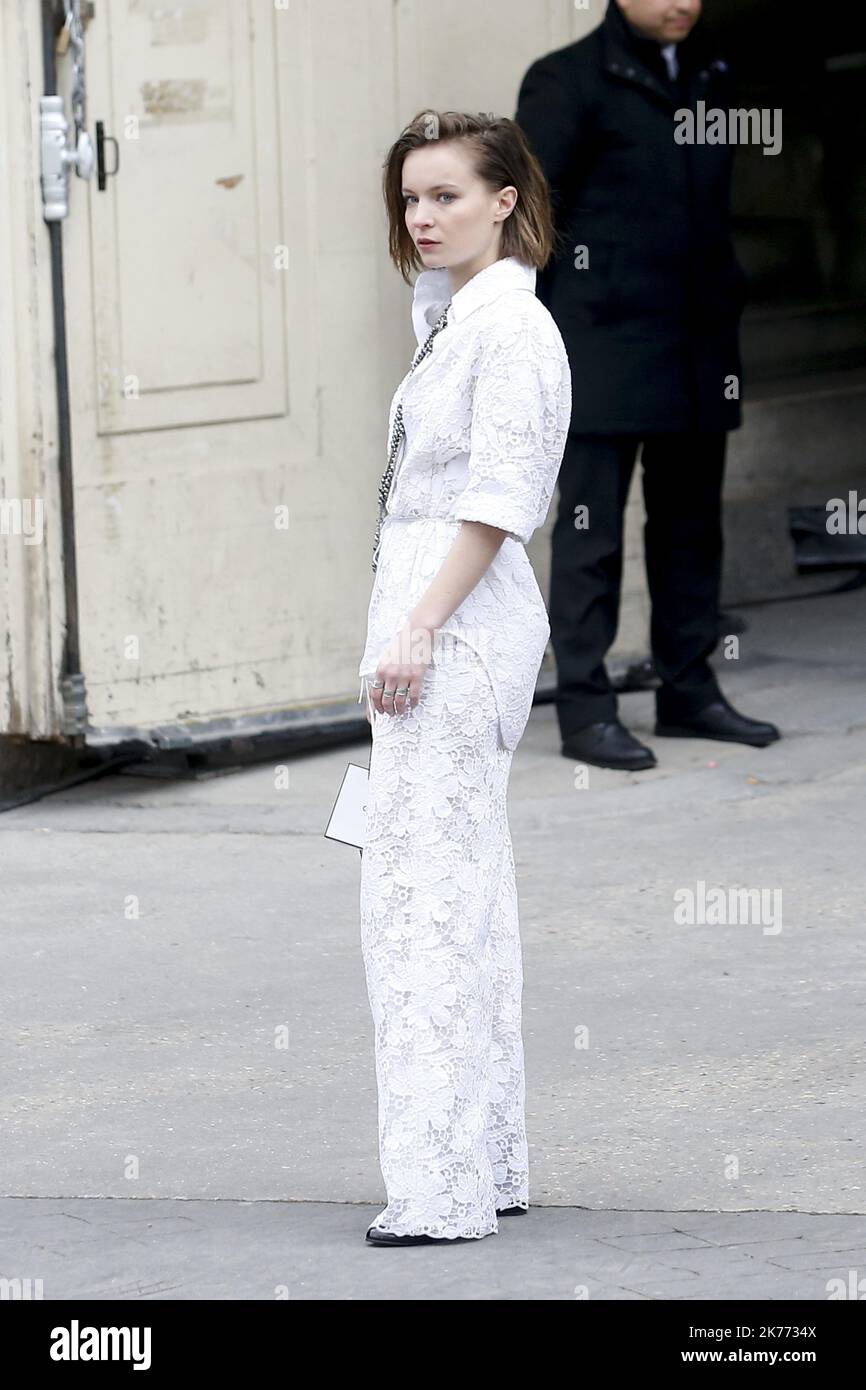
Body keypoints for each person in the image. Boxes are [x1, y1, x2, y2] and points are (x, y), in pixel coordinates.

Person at [356, 110, 571, 1245]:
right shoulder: (448, 322)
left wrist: (418, 628)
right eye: (409, 199)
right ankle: (478, 1161)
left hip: (454, 629)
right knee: (451, 893)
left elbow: (498, 499)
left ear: (503, 199)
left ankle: (438, 1189)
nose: (422, 218)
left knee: (423, 906)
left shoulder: (512, 332)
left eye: (445, 195)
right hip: (426, 620)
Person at [515, 0, 781, 770]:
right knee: (592, 534)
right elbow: (529, 216)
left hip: (698, 343)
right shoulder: (566, 82)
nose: (683, 2)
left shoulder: (713, 75)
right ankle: (586, 711)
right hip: (600, 342)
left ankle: (689, 692)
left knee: (692, 527)